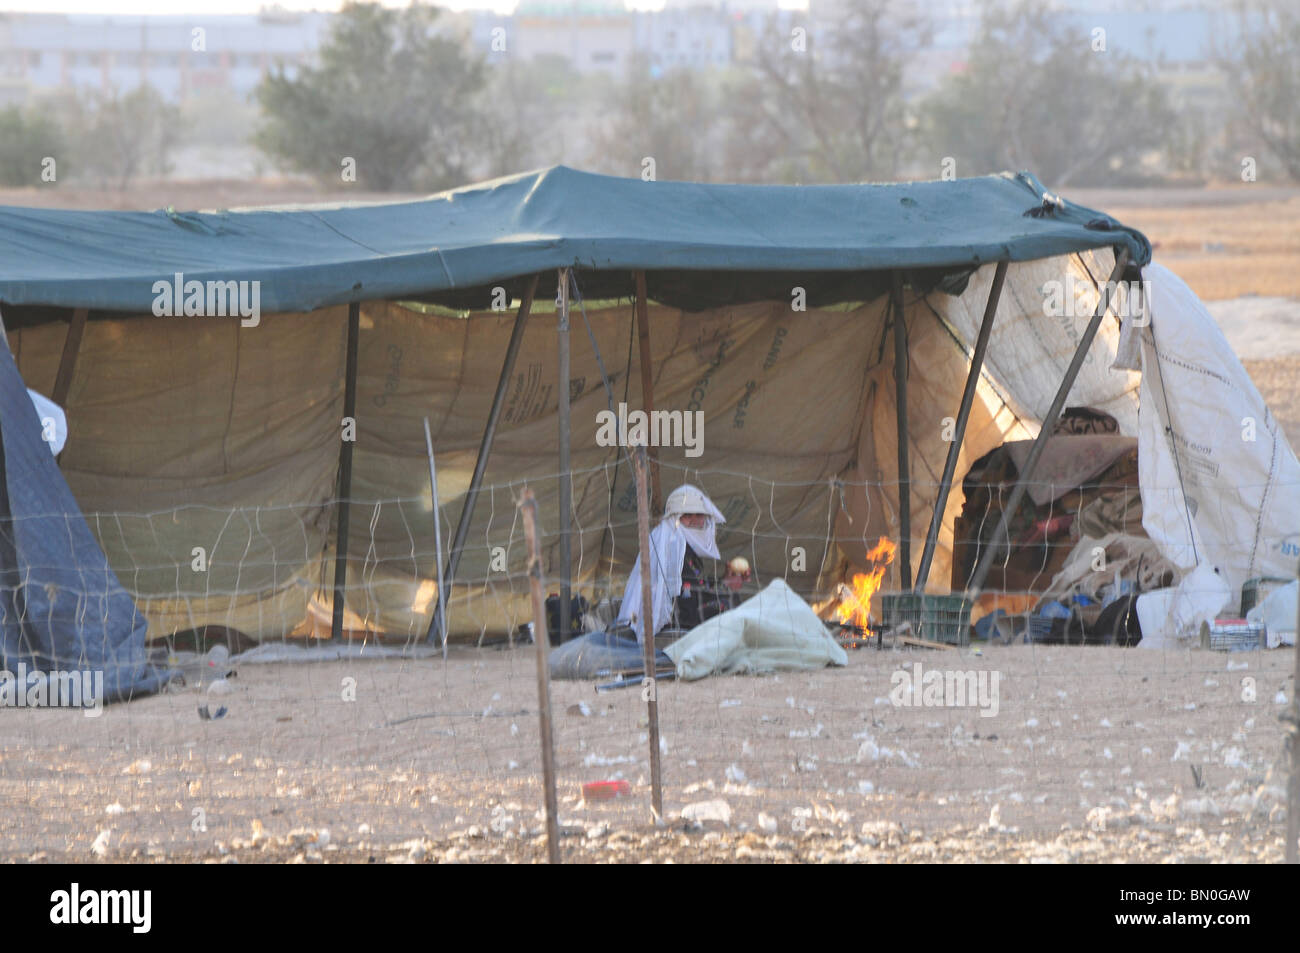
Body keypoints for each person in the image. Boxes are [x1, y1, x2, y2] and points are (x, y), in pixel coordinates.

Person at [618, 484, 750, 643]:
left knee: (728, 599)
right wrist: (724, 589)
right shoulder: (673, 548)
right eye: (687, 515)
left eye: (699, 515)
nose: (695, 521)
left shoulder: (683, 548)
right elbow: (686, 606)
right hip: (671, 630)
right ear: (675, 519)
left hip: (683, 618)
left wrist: (724, 582)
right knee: (728, 603)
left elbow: (694, 587)